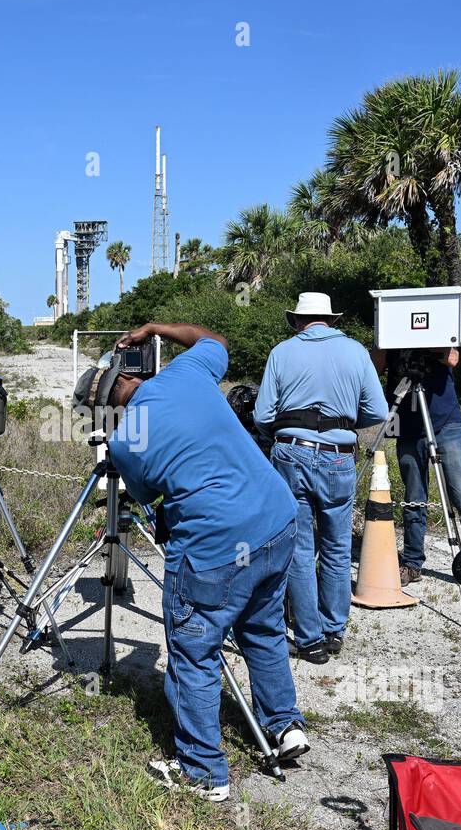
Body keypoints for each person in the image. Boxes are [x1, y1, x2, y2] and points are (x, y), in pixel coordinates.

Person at [76, 322, 308, 802]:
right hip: (276, 520)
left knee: (194, 648)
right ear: (130, 372)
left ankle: (204, 772)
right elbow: (218, 340)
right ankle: (284, 727)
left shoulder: (125, 442)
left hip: (216, 545)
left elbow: (150, 498)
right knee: (262, 628)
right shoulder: (187, 372)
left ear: (104, 407)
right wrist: (156, 327)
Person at [254, 292, 388, 662]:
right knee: (337, 545)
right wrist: (341, 424)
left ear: (298, 320)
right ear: (331, 320)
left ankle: (309, 637)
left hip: (291, 451)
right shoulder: (357, 352)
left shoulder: (282, 352)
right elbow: (377, 410)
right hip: (337, 456)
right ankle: (334, 630)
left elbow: (263, 414)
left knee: (298, 548)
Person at [372, 344, 461, 585]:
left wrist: (424, 343)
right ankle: (412, 562)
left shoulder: (436, 324)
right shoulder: (391, 332)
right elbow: (375, 366)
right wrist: (384, 341)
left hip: (444, 422)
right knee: (414, 498)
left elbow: (453, 358)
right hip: (406, 424)